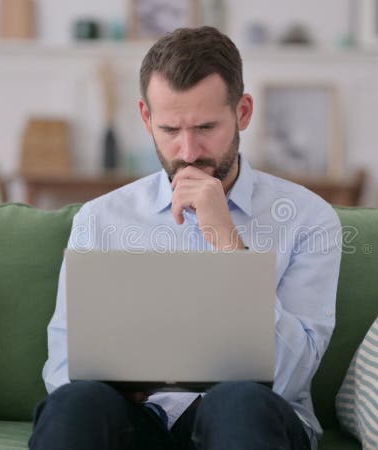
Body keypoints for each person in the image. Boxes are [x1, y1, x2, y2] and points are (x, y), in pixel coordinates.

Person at [29, 26, 342, 450]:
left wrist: (228, 245)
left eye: (206, 127)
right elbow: (63, 369)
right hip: (137, 419)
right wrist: (126, 382)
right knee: (75, 403)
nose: (189, 151)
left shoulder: (309, 219)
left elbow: (290, 377)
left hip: (245, 417)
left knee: (239, 401)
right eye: (170, 130)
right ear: (146, 118)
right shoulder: (100, 219)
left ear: (243, 112)